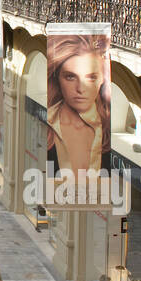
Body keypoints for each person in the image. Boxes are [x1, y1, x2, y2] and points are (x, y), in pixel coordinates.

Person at [47, 31, 111, 176]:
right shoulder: (48, 129)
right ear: (58, 78)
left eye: (91, 77)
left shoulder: (107, 129)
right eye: (70, 77)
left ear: (102, 79)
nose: (80, 89)